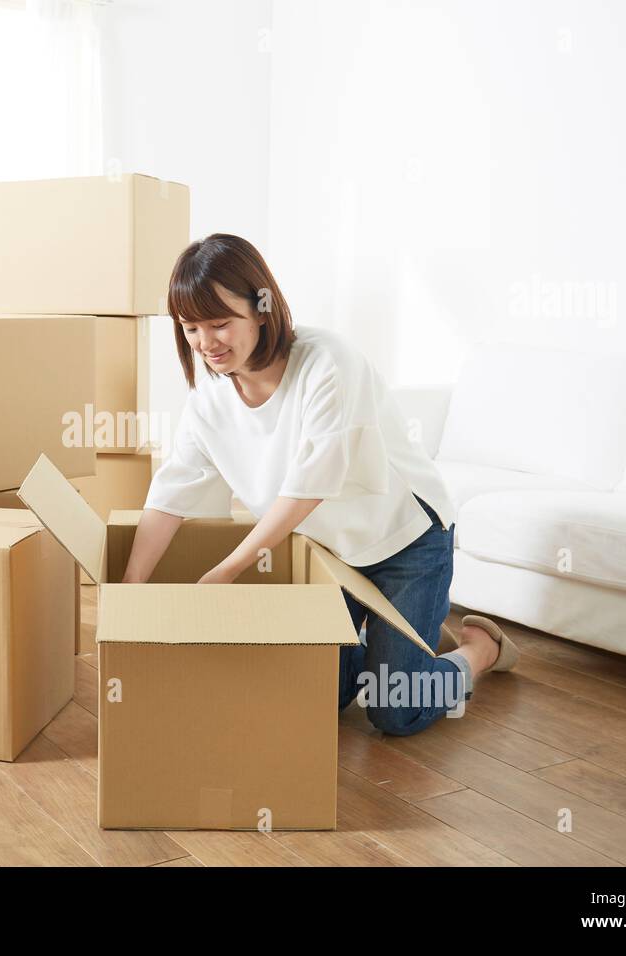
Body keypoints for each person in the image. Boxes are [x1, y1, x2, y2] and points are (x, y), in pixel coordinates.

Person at [122, 233, 518, 736]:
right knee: (317, 696)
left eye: (220, 323)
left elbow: (310, 485)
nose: (206, 342)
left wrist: (226, 571)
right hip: (335, 554)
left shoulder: (329, 364)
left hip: (405, 538)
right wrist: (132, 586)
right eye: (192, 327)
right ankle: (402, 634)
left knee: (395, 712)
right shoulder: (209, 399)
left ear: (262, 308)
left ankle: (479, 649)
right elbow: (173, 492)